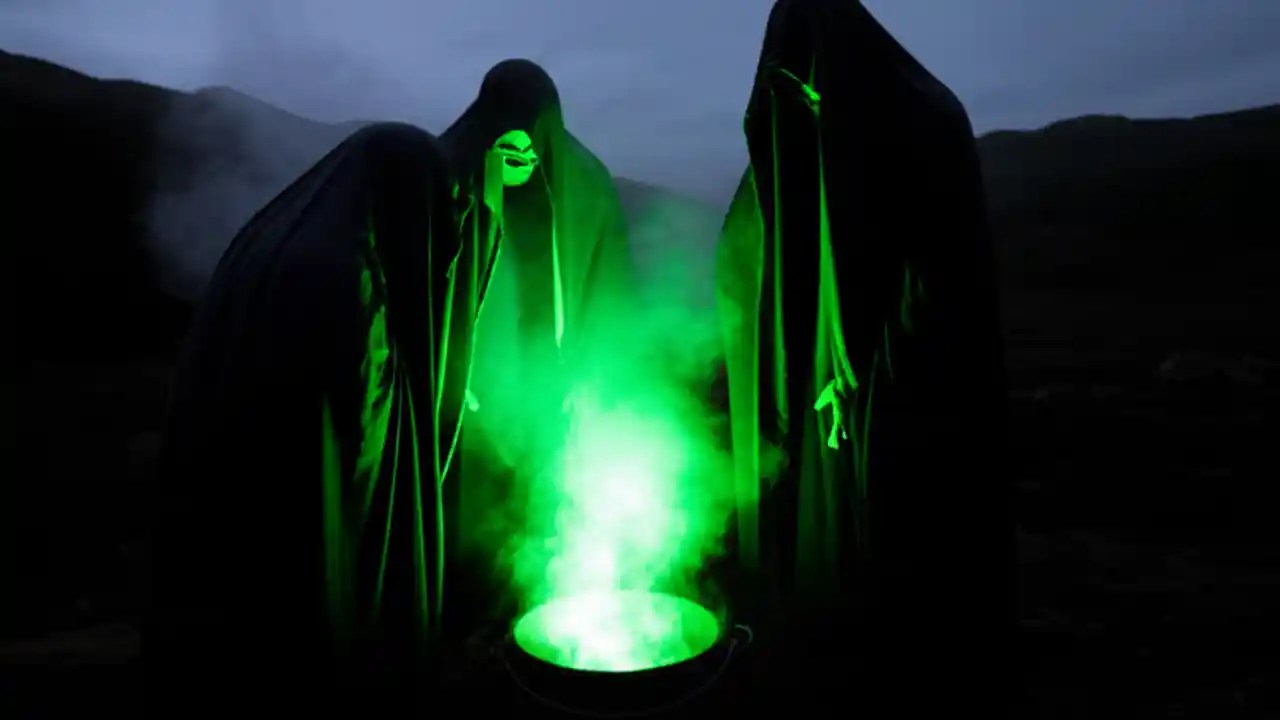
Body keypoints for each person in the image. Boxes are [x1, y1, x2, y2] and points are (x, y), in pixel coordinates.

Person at [716, 0, 1011, 707]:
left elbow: (935, 281)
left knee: (898, 544)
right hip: (819, 393)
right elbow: (752, 271)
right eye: (788, 83)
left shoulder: (927, 124)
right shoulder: (787, 140)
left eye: (815, 80)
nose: (805, 96)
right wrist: (793, 373)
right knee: (819, 543)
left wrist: (859, 372)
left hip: (906, 396)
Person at [149, 122, 499, 705]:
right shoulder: (350, 280)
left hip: (218, 502)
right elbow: (361, 451)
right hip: (298, 527)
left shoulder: (274, 236)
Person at [437, 59, 636, 634]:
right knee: (475, 533)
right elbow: (427, 287)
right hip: (473, 401)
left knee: (548, 521)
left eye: (532, 135)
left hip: (557, 391)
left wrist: (596, 385)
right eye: (506, 134)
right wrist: (489, 190)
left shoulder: (587, 186)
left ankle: (543, 624)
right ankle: (472, 636)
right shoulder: (450, 174)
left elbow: (611, 294)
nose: (520, 147)